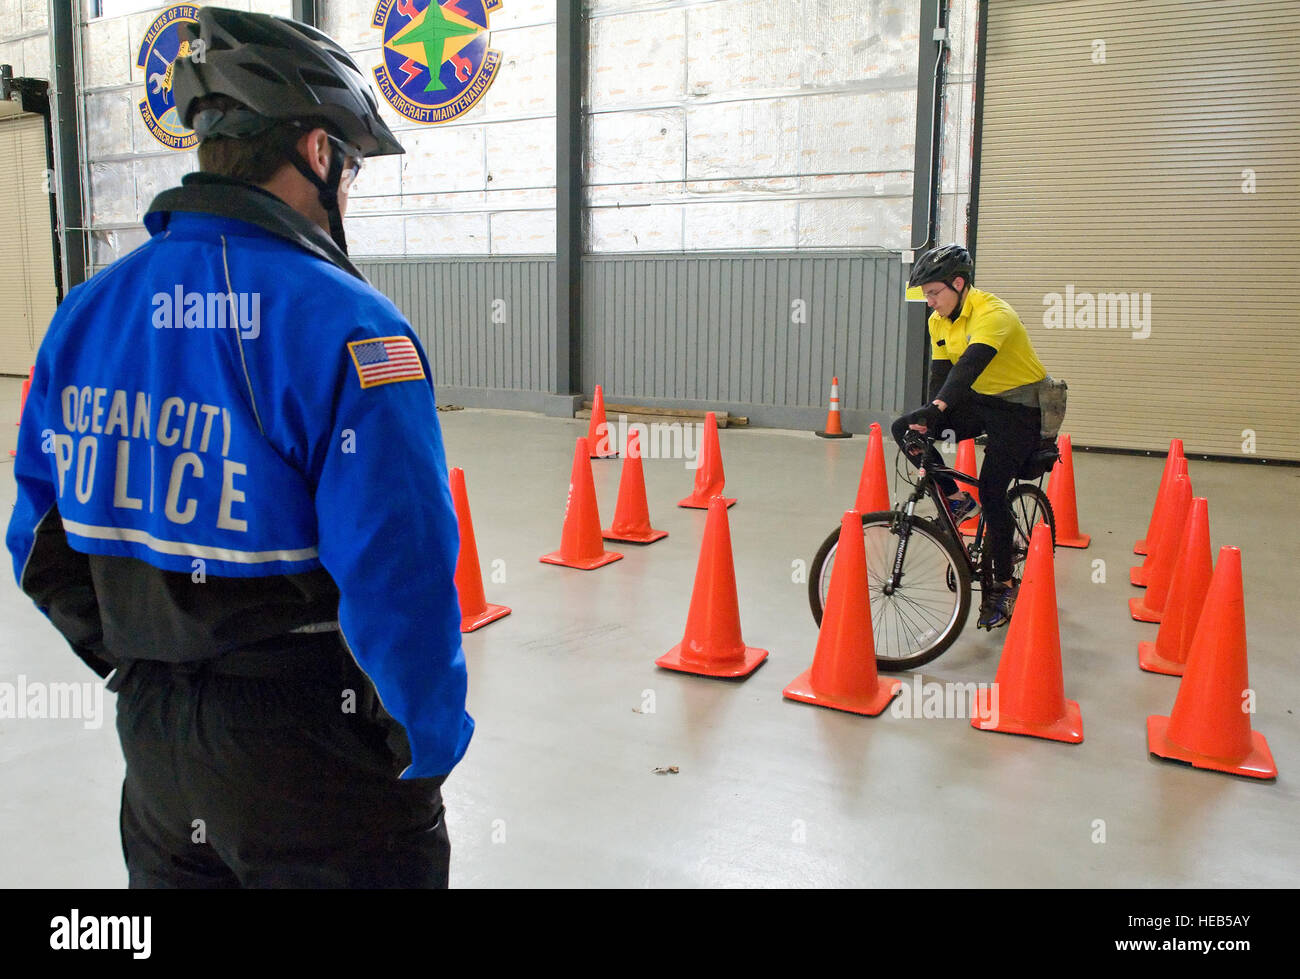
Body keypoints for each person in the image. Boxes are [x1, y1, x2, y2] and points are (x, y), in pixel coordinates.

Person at [5, 7, 473, 888]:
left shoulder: (86, 313)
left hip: (155, 746)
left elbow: (38, 539)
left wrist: (144, 656)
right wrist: (426, 741)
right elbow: (399, 569)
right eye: (353, 165)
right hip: (311, 747)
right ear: (319, 153)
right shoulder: (353, 328)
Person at [892, 243, 1049, 630]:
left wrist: (941, 407)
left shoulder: (994, 313)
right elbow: (941, 375)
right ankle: (956, 499)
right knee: (905, 430)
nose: (930, 302)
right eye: (926, 295)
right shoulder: (939, 321)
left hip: (1019, 409)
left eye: (933, 293)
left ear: (958, 284)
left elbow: (969, 366)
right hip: (982, 403)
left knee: (994, 489)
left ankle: (1004, 585)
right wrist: (929, 414)